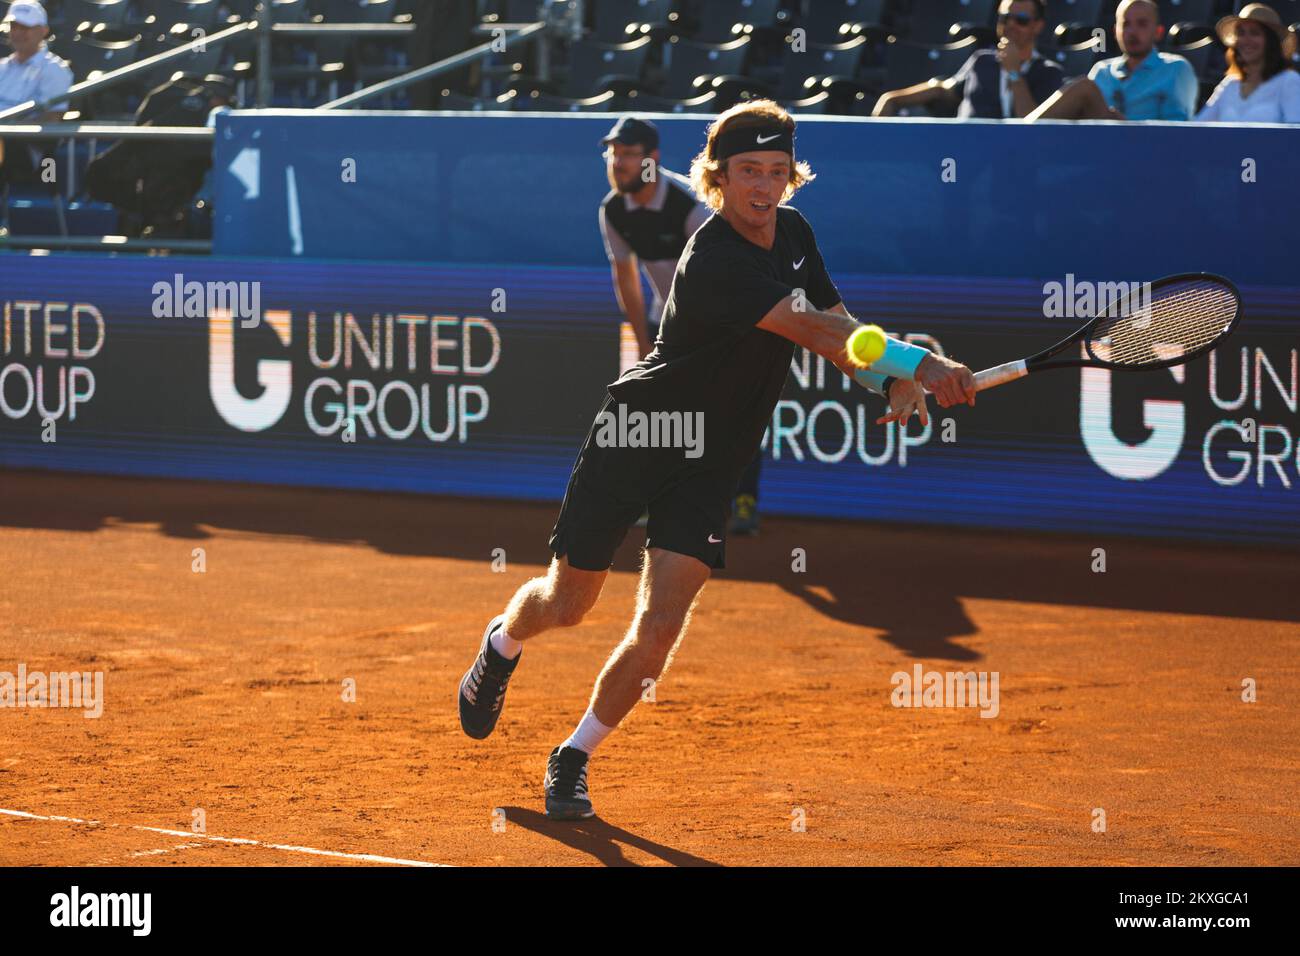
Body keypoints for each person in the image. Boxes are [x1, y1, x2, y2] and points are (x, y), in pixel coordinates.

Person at [457, 99, 976, 821]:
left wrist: (890, 375)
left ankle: (572, 756)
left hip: (713, 457)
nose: (763, 188)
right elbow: (811, 330)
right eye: (746, 173)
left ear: (791, 176)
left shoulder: (794, 233)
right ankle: (503, 643)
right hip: (642, 432)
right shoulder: (713, 257)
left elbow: (841, 324)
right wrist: (922, 363)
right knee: (569, 604)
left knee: (662, 625)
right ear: (718, 178)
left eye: (775, 171)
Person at [872, 0, 1063, 119]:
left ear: (1038, 26)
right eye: (1005, 18)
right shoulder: (982, 61)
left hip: (1010, 154)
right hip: (965, 145)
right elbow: (943, 89)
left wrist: (1014, 73)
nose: (1011, 24)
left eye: (1021, 19)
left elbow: (1031, 123)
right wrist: (892, 98)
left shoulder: (1048, 71)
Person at [1027, 0, 1198, 121]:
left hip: (1146, 153)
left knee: (1084, 88)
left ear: (1158, 32)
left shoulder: (1176, 68)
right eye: (1126, 24)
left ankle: (1017, 136)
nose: (1132, 31)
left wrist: (1124, 125)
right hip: (1099, 152)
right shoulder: (1102, 70)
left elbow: (1176, 131)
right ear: (1115, 31)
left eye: (1142, 24)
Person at [0, 1, 71, 188]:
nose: (17, 32)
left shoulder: (56, 70)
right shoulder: (1, 68)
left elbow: (51, 121)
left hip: (26, 152)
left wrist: (7, 129)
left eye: (26, 27)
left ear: (43, 31)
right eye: (14, 26)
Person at [1197, 3, 1300, 123]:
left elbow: (1294, 134)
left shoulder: (1289, 81)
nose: (1246, 40)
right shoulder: (1229, 85)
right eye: (1241, 33)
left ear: (1271, 41)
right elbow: (1199, 126)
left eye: (1254, 33)